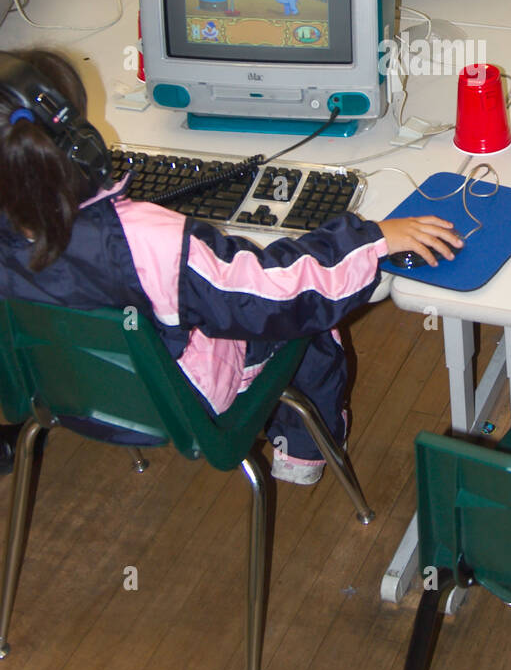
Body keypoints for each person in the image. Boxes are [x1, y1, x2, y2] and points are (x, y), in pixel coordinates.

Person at [0, 49, 461, 485]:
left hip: (65, 394)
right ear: (82, 148)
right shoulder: (145, 240)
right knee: (310, 321)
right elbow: (273, 291)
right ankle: (303, 454)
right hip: (178, 406)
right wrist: (371, 239)